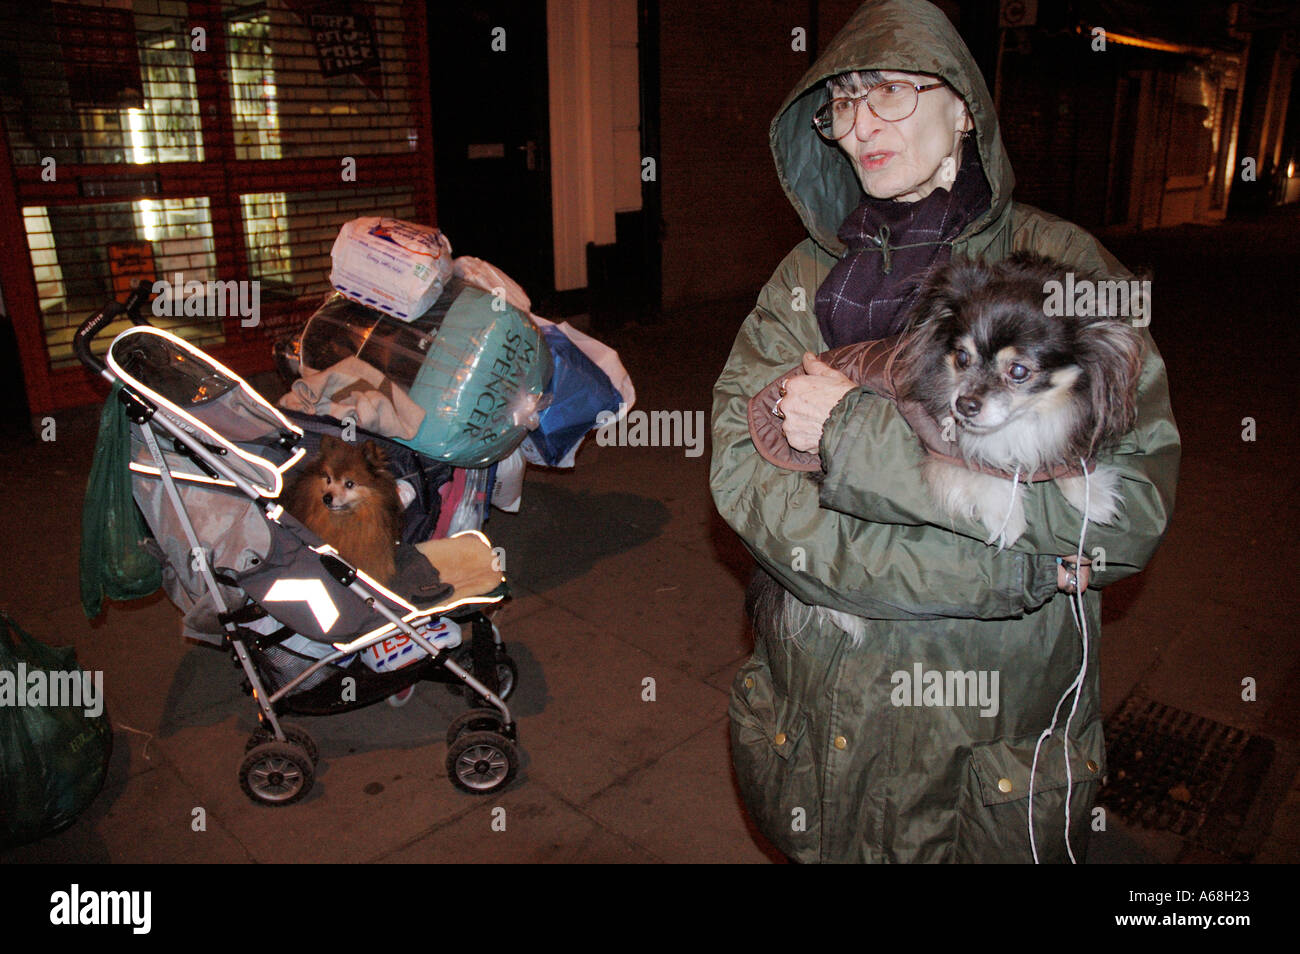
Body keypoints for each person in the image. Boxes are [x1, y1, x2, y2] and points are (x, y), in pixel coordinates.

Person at [710, 0, 1180, 863]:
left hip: (984, 721)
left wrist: (857, 441)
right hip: (822, 709)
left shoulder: (1067, 270)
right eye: (842, 104)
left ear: (963, 105)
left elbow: (1126, 518)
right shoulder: (804, 277)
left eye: (888, 92)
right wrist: (1000, 565)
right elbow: (742, 473)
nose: (858, 129)